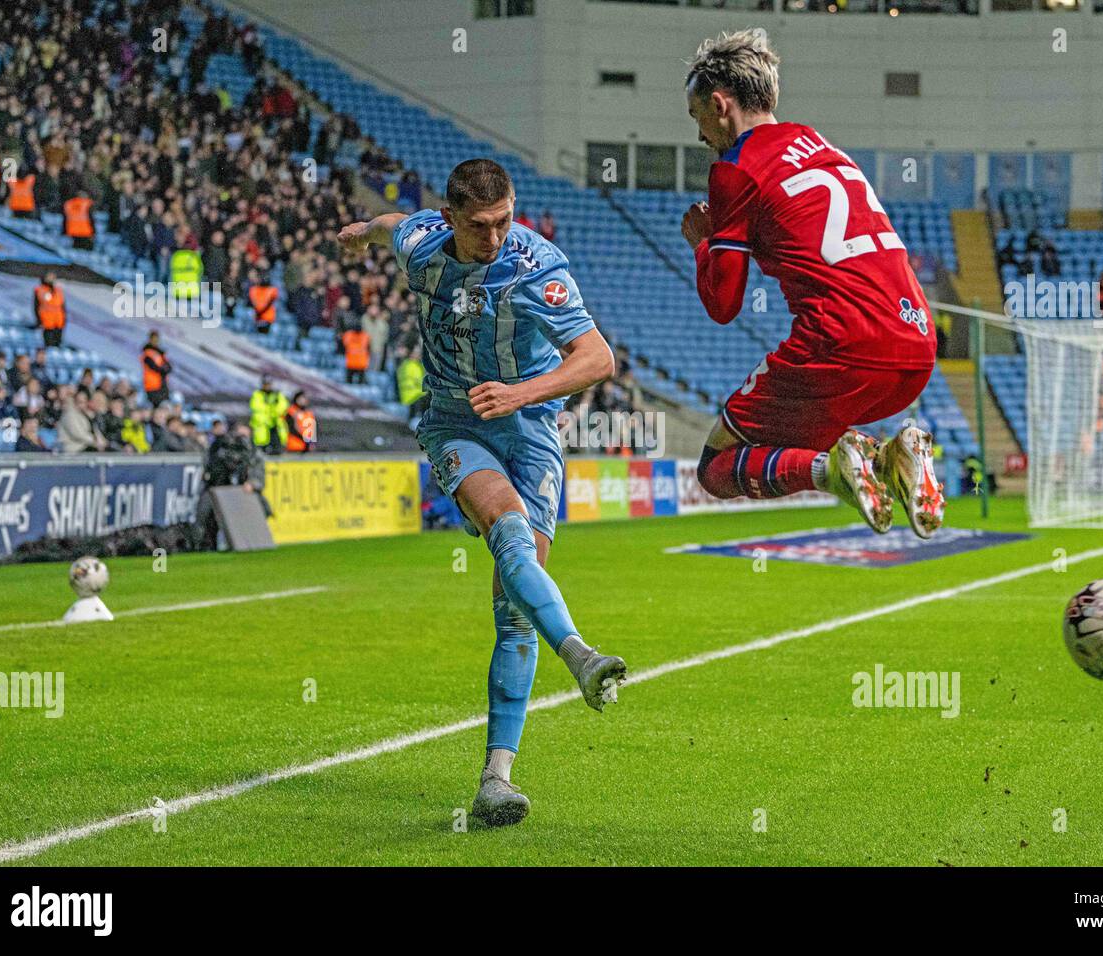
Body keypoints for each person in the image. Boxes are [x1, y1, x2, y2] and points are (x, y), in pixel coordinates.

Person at [337, 157, 627, 828]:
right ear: (449, 219)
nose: (495, 237)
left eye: (504, 221)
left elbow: (597, 359)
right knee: (507, 528)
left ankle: (496, 778)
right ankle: (579, 654)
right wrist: (363, 232)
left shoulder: (534, 265)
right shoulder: (421, 244)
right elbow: (392, 226)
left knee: (513, 607)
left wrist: (520, 393)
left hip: (527, 429)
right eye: (479, 226)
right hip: (454, 423)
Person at [679, 30, 944, 539]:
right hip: (915, 345)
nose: (700, 136)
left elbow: (723, 304)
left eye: (698, 118)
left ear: (719, 104)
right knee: (802, 438)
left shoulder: (735, 169)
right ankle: (895, 453)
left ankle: (834, 471)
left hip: (843, 343)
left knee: (716, 468)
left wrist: (703, 243)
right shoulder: (827, 149)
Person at [248, 374, 288, 454]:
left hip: (277, 431)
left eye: (269, 383)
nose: (267, 386)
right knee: (261, 455)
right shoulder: (257, 395)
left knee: (278, 453)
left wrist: (271, 412)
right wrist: (272, 410)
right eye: (265, 383)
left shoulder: (278, 395)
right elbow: (257, 408)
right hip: (261, 435)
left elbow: (283, 407)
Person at [33, 271, 66, 348]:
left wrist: (64, 319)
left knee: (58, 344)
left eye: (53, 277)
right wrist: (38, 320)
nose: (52, 279)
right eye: (50, 276)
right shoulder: (40, 289)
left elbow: (62, 306)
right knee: (49, 345)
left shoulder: (58, 290)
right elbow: (36, 306)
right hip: (47, 322)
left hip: (59, 322)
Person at [141, 330, 173, 406]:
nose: (155, 341)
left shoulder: (160, 353)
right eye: (154, 339)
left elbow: (169, 367)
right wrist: (163, 369)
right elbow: (154, 367)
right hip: (152, 387)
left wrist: (165, 369)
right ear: (150, 339)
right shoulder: (147, 353)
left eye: (157, 339)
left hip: (163, 386)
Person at [341, 320, 370, 384]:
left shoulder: (365, 336)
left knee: (359, 384)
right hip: (352, 363)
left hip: (360, 364)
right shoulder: (348, 335)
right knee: (349, 384)